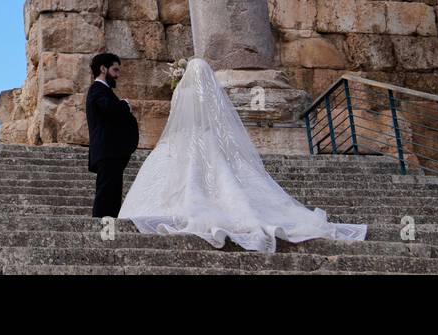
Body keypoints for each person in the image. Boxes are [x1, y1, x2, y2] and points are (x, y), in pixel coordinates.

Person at [119, 57, 367, 252]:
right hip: (209, 141)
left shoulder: (180, 93)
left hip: (181, 142)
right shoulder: (212, 93)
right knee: (223, 178)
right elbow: (219, 122)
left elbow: (176, 122)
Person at [85, 52, 139, 218]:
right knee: (106, 194)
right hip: (107, 152)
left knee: (112, 194)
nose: (118, 74)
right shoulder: (97, 89)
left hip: (112, 152)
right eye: (115, 70)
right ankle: (102, 232)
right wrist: (124, 105)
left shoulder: (102, 90)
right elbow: (108, 109)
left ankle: (109, 231)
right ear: (103, 69)